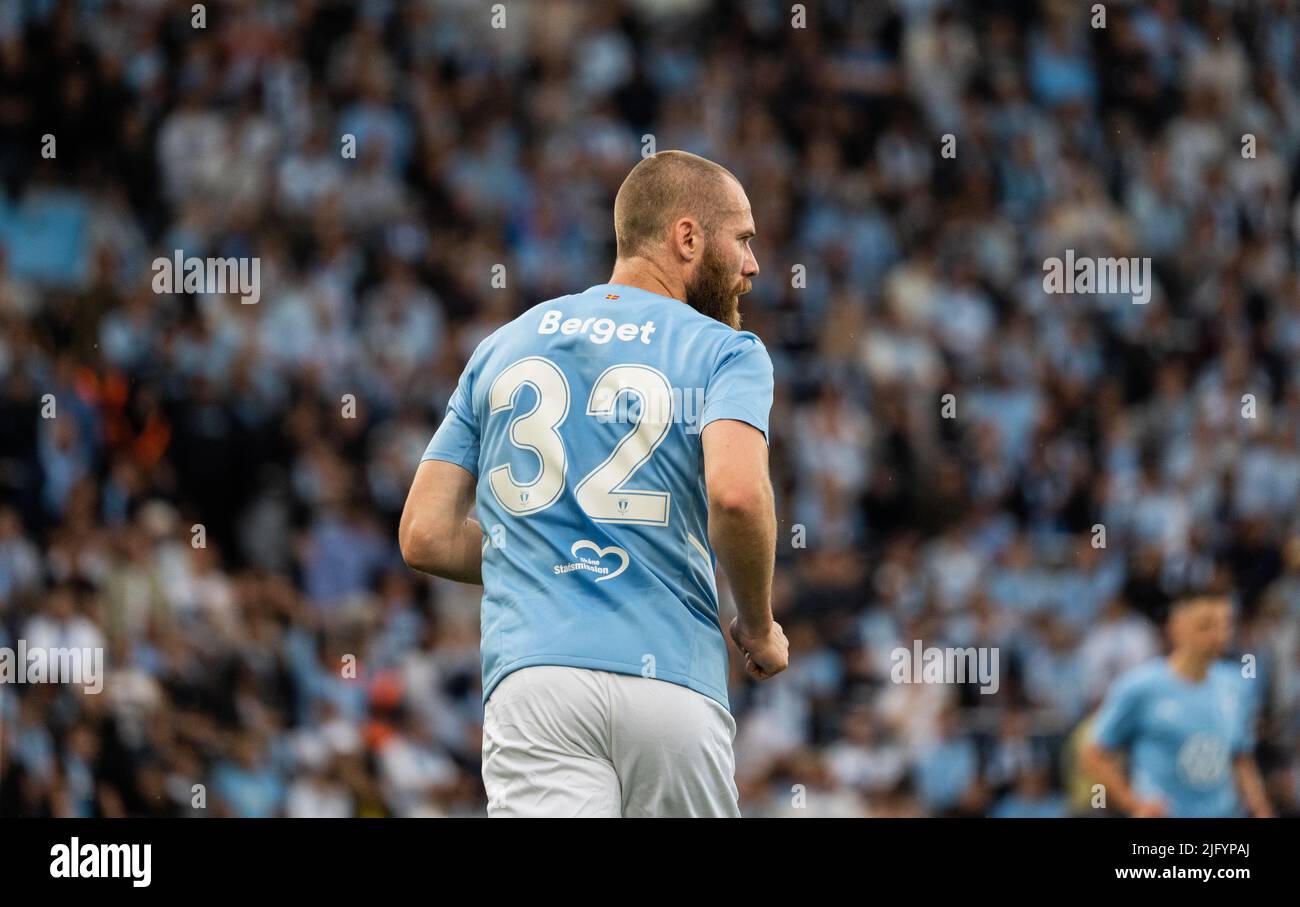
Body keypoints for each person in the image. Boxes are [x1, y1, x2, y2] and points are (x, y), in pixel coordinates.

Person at [399, 150, 788, 817]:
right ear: (687, 237)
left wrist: (543, 560)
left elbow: (425, 534)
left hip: (537, 681)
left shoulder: (503, 346)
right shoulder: (725, 350)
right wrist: (758, 624)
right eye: (744, 239)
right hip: (672, 683)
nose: (753, 264)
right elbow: (737, 494)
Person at [1082, 594, 1273, 818]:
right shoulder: (1141, 686)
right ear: (1176, 627)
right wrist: (1133, 804)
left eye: (1225, 625)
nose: (1219, 635)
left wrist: (1261, 808)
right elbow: (1093, 754)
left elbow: (1240, 756)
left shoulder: (1235, 684)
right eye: (1205, 625)